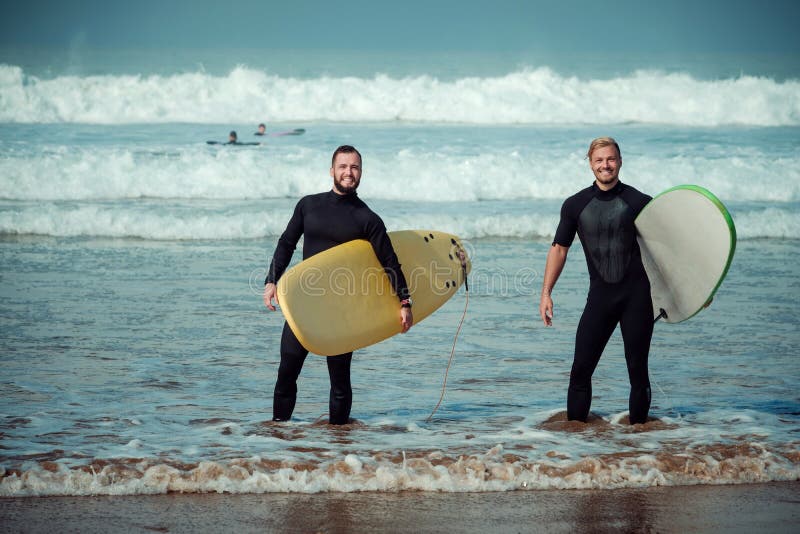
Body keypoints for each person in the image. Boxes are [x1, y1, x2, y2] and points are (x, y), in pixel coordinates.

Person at [263, 145, 414, 424]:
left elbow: (389, 262)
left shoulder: (368, 219)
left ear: (361, 173)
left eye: (354, 167)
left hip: (342, 311)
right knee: (287, 372)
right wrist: (272, 280)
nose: (348, 172)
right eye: (343, 167)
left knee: (340, 381)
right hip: (306, 305)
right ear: (332, 171)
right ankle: (278, 437)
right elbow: (287, 243)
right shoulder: (308, 205)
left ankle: (339, 445)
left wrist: (404, 302)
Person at [539, 137, 653, 424]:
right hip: (601, 299)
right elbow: (559, 249)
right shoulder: (576, 205)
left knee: (638, 371)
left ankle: (642, 444)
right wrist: (546, 292)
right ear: (590, 164)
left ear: (620, 161)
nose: (606, 165)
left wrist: (697, 287)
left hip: (637, 298)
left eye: (611, 159)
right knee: (580, 370)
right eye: (599, 160)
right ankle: (577, 443)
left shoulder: (640, 202)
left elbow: (667, 247)